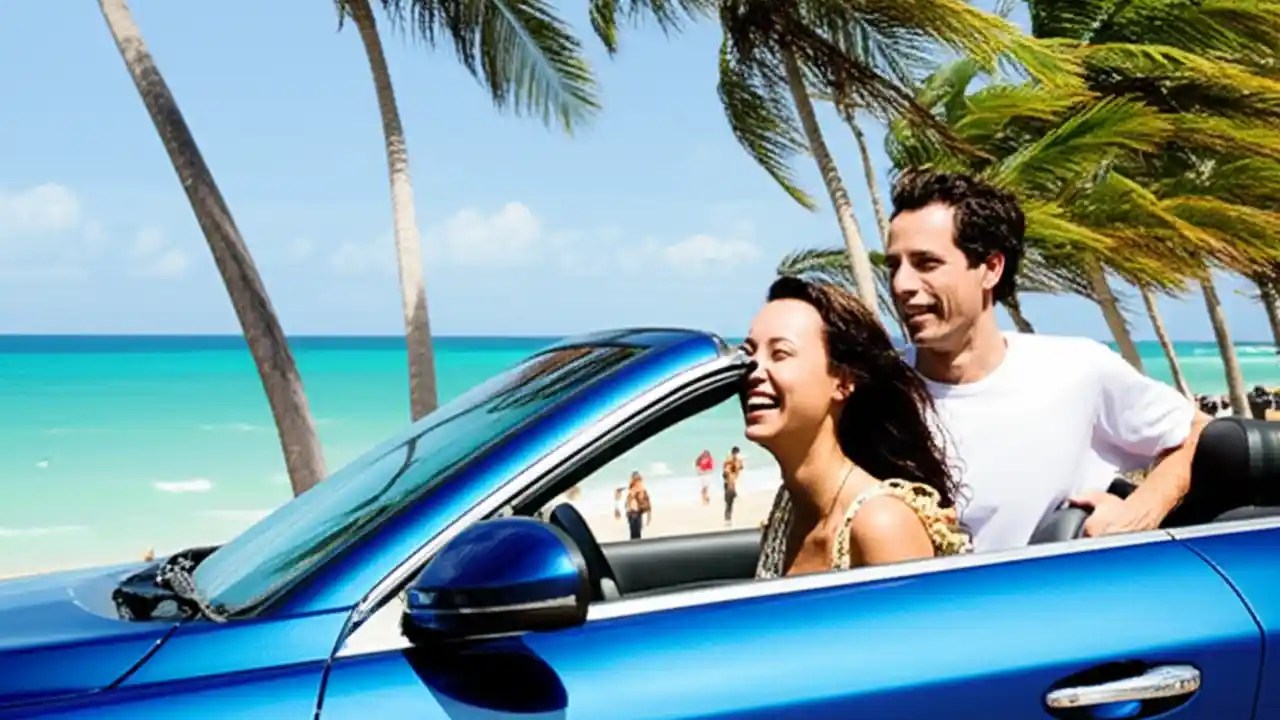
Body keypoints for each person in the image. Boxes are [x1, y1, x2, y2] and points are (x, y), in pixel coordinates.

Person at [883, 168, 1211, 553]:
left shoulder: (1073, 370)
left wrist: (1142, 510)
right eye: (893, 265)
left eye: (926, 263)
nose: (901, 285)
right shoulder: (874, 390)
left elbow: (1195, 432)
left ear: (990, 268)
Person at [744, 276, 972, 579]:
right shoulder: (790, 506)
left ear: (843, 380)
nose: (752, 371)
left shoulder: (881, 524)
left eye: (780, 354)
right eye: (749, 353)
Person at [625, 471, 651, 540]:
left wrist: (649, 515)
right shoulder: (633, 490)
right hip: (633, 513)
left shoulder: (640, 490)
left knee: (636, 533)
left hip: (636, 513)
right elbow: (627, 503)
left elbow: (647, 503)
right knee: (635, 534)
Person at [722, 446, 744, 526]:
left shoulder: (736, 460)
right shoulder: (729, 460)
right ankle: (728, 518)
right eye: (736, 453)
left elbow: (740, 468)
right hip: (729, 483)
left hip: (732, 482)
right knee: (729, 501)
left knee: (730, 501)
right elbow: (726, 472)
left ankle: (728, 518)